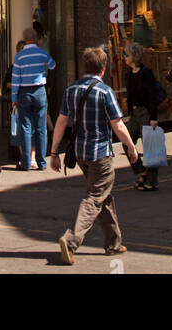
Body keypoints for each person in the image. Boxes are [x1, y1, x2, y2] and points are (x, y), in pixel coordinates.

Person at [50, 45, 139, 263]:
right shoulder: (105, 91)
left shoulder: (71, 90)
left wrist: (54, 151)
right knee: (94, 197)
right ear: (103, 68)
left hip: (80, 153)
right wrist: (131, 147)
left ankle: (113, 243)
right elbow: (117, 125)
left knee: (101, 195)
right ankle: (70, 240)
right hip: (100, 153)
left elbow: (61, 122)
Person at [10, 25, 57, 171]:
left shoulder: (19, 56)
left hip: (24, 92)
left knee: (25, 127)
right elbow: (53, 65)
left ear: (25, 40)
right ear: (35, 38)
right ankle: (41, 162)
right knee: (41, 127)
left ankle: (26, 162)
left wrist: (14, 98)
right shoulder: (41, 53)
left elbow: (16, 78)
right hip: (39, 91)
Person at [124, 43, 160, 190]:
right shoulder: (129, 73)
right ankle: (141, 171)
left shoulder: (146, 72)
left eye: (126, 55)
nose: (124, 57)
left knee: (150, 147)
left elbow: (152, 95)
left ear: (134, 56)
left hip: (146, 112)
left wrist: (154, 117)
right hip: (134, 113)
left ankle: (151, 181)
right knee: (127, 143)